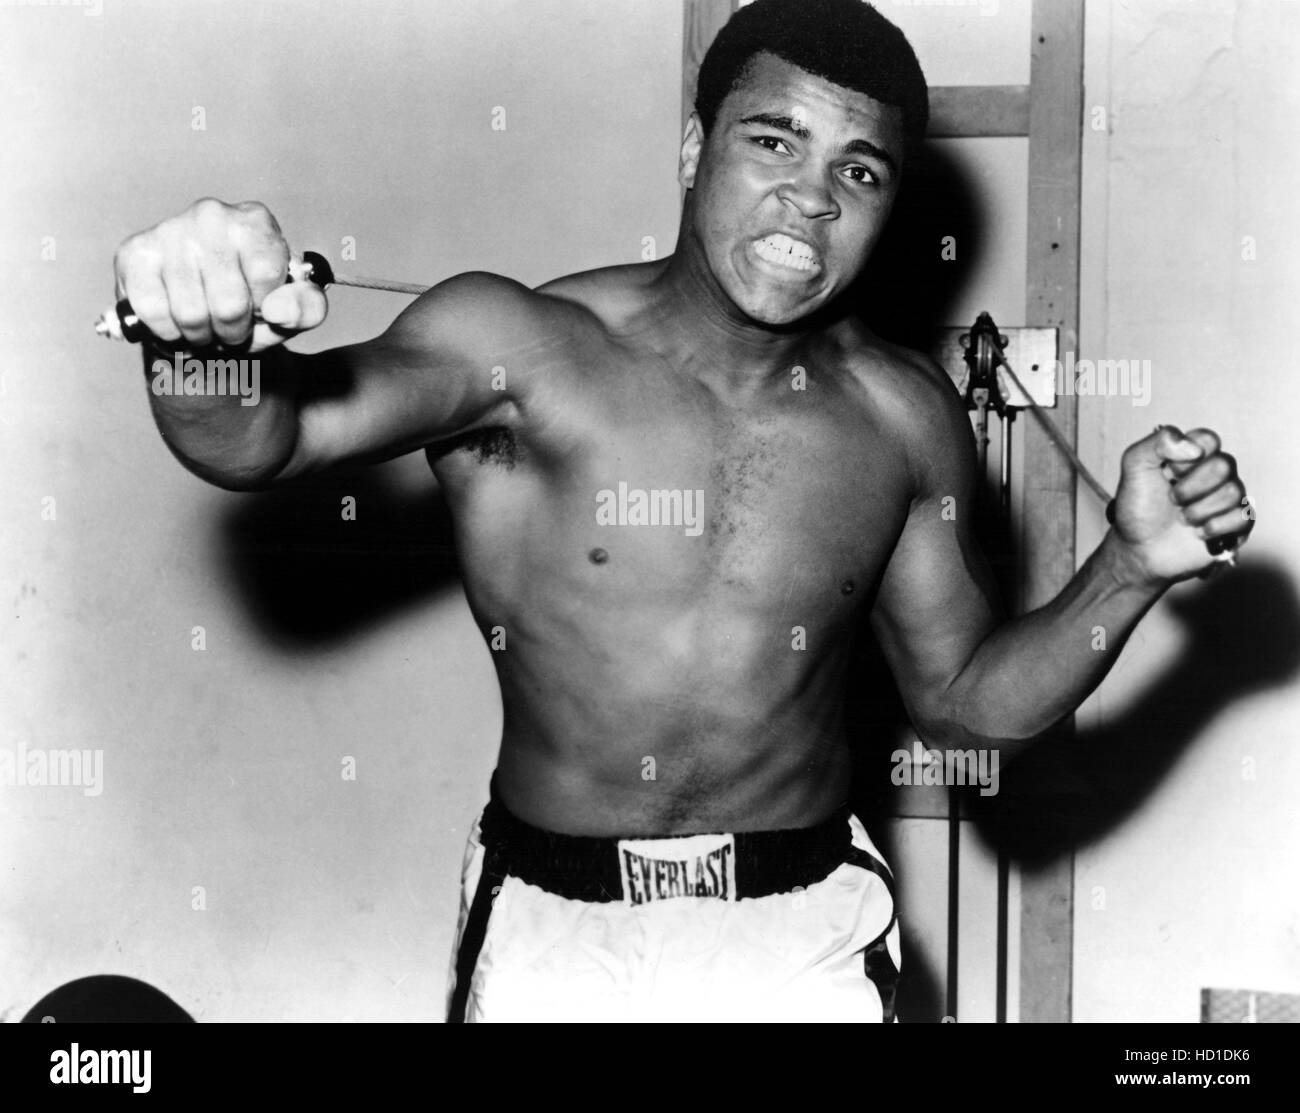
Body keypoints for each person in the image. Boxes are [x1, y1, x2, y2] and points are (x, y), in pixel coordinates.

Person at [111, 0, 1253, 1021]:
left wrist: (1131, 565)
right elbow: (265, 437)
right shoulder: (520, 348)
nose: (809, 197)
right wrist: (188, 342)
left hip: (798, 933)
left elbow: (965, 711)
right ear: (695, 147)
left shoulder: (905, 419)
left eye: (859, 172)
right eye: (773, 141)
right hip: (561, 931)